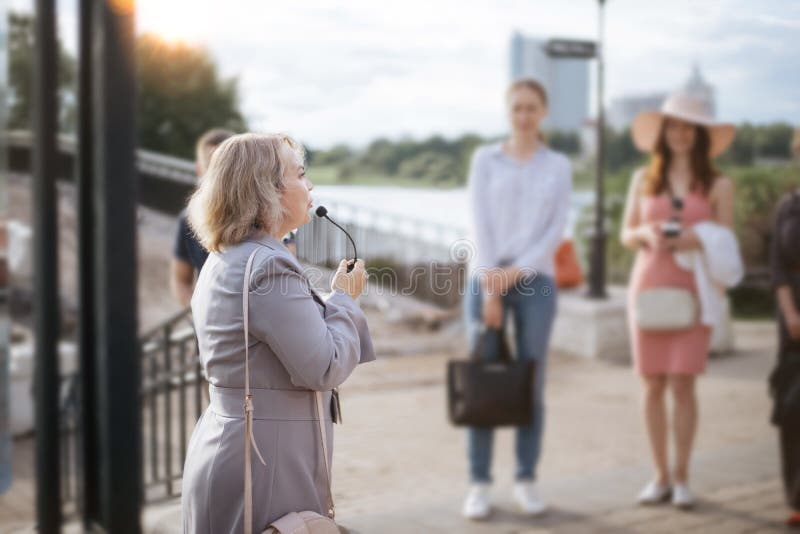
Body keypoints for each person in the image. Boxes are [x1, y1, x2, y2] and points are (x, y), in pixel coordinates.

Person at [181, 133, 375, 532]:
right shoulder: (268, 266)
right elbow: (324, 366)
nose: (310, 186)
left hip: (233, 443)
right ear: (266, 190)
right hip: (266, 459)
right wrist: (344, 299)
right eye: (300, 174)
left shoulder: (228, 257)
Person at [461, 78, 572, 520]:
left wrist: (515, 273)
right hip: (486, 277)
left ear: (543, 112)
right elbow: (478, 222)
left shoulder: (558, 165)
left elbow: (555, 230)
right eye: (517, 107)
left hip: (535, 281)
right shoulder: (484, 160)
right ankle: (480, 483)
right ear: (507, 111)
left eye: (532, 108)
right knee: (482, 380)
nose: (524, 115)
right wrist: (493, 285)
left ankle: (526, 478)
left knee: (532, 380)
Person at [621, 91, 736, 509]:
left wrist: (691, 238)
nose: (680, 133)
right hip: (650, 283)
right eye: (673, 125)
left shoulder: (719, 184)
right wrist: (647, 234)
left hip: (695, 289)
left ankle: (684, 477)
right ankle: (659, 477)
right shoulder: (642, 179)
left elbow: (725, 242)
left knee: (684, 384)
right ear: (663, 131)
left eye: (689, 126)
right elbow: (626, 234)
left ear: (700, 134)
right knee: (652, 384)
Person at [769, 131, 800, 527]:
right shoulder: (786, 207)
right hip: (791, 320)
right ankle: (797, 494)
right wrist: (790, 313)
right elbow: (777, 267)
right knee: (793, 408)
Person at [171, 129, 235, 307]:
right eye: (210, 165)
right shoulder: (187, 219)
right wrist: (200, 316)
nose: (217, 174)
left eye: (222, 165)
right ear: (199, 169)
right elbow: (181, 281)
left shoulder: (267, 214)